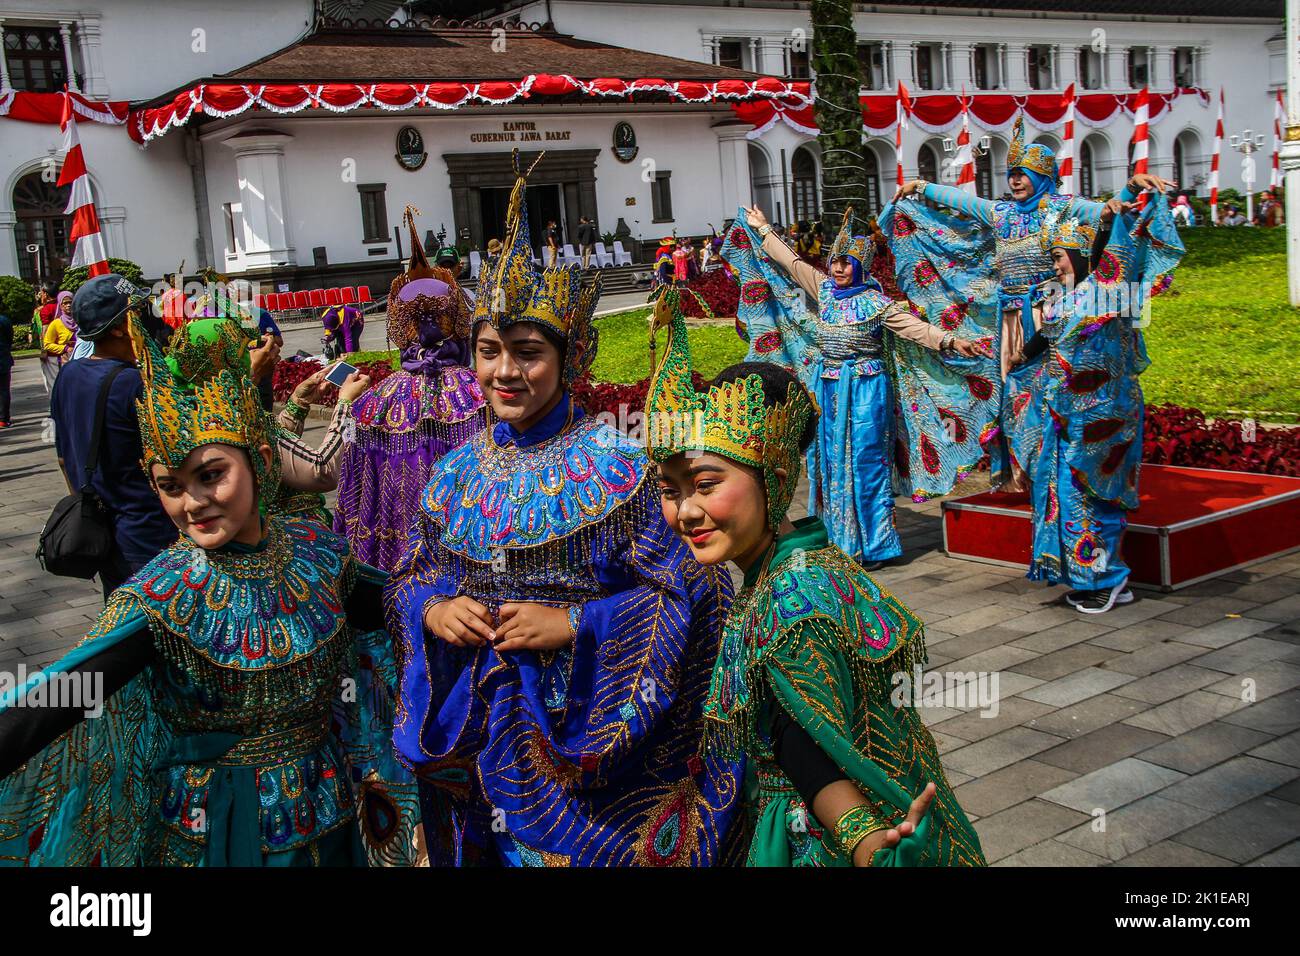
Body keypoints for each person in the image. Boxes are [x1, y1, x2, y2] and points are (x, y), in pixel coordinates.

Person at [385, 151, 743, 866]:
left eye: (527, 353)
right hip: (475, 733)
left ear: (567, 355)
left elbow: (695, 588)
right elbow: (409, 575)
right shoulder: (455, 473)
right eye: (489, 351)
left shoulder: (620, 466)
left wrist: (575, 623)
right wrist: (430, 609)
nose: (504, 373)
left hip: (587, 738)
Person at [0, 313, 419, 866]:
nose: (192, 503)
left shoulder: (318, 555)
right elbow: (63, 694)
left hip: (331, 811)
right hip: (218, 829)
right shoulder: (165, 595)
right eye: (170, 486)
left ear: (261, 462)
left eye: (210, 475)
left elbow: (395, 606)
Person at [645, 313, 986, 867]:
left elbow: (807, 745)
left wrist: (865, 842)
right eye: (670, 490)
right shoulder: (804, 565)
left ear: (774, 477)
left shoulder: (791, 604)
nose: (685, 511)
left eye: (707, 485)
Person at [890, 116, 1174, 491]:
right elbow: (964, 200)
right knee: (1013, 395)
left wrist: (1130, 188)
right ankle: (1022, 478)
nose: (1015, 181)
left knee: (1048, 394)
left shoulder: (1061, 208)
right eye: (1012, 174)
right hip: (1008, 321)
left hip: (1049, 315)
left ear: (1043, 177)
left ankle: (1055, 474)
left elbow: (1105, 213)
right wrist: (922, 187)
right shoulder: (1002, 214)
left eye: (1023, 174)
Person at [738, 204, 986, 569]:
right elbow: (792, 264)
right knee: (831, 463)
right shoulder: (824, 290)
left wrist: (949, 341)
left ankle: (874, 545)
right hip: (828, 389)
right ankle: (837, 539)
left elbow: (912, 328)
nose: (837, 269)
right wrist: (763, 230)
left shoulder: (875, 303)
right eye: (835, 261)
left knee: (866, 462)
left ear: (861, 268)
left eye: (846, 263)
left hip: (867, 390)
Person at [1016, 194, 1184, 614]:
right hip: (1063, 416)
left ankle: (1109, 578)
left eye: (1060, 257)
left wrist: (1129, 198)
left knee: (1095, 495)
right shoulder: (1064, 298)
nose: (1055, 265)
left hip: (1103, 415)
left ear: (1081, 253)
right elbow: (1044, 343)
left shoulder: (1113, 294)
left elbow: (1121, 243)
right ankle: (1085, 575)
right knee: (1065, 496)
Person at [334, 207, 485, 571]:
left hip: (394, 567)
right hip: (475, 562)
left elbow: (353, 492)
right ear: (457, 324)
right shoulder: (482, 397)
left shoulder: (371, 406)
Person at [50, 275, 179, 598]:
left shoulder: (69, 374)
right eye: (137, 312)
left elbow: (65, 457)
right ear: (120, 327)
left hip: (103, 532)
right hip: (148, 535)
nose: (146, 319)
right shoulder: (132, 384)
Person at [39, 290, 75, 392]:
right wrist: (65, 348)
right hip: (65, 362)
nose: (68, 305)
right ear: (60, 305)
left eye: (70, 302)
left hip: (81, 361)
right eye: (65, 303)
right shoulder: (56, 324)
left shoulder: (80, 320)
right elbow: (47, 344)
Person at [0, 309, 11, 428]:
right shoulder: (4, 320)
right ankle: (3, 419)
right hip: (3, 359)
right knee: (3, 390)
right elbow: (9, 340)